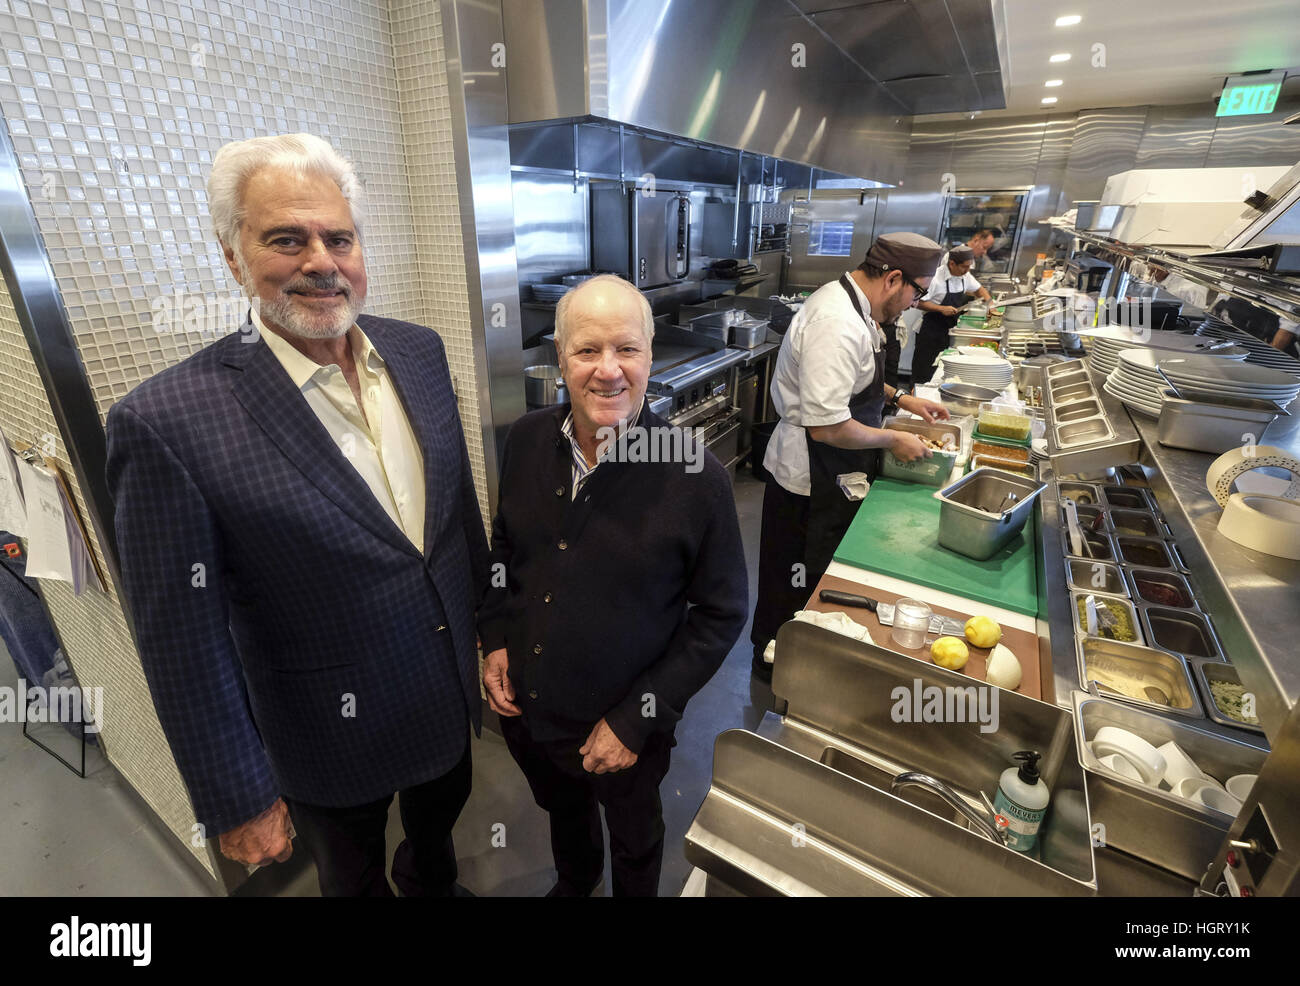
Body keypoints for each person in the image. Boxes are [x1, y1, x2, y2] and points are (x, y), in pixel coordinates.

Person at [105, 134, 488, 896]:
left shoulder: (417, 352)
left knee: (440, 828)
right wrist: (237, 794)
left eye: (338, 237)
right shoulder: (167, 421)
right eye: (287, 238)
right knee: (351, 875)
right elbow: (181, 638)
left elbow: (456, 518)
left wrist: (492, 627)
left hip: (443, 689)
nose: (321, 260)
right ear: (233, 257)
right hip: (323, 730)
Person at [477, 274, 747, 897]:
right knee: (564, 814)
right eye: (587, 351)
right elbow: (503, 551)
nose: (608, 371)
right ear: (559, 357)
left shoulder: (693, 476)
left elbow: (720, 614)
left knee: (634, 835)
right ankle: (576, 882)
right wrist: (494, 637)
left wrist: (636, 719)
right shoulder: (525, 441)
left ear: (651, 356)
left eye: (626, 349)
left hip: (628, 724)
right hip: (532, 707)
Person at [749, 233, 951, 682]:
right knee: (794, 577)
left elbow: (848, 381)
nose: (915, 303)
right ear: (893, 278)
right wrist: (891, 440)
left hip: (831, 467)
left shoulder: (854, 306)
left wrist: (902, 400)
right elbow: (828, 426)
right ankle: (776, 670)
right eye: (917, 292)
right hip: (809, 475)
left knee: (807, 572)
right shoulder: (836, 321)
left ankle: (797, 659)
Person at [912, 245, 993, 386]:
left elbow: (979, 289)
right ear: (952, 264)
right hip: (931, 330)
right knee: (924, 369)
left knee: (943, 368)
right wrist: (940, 308)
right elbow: (917, 302)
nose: (967, 270)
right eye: (964, 267)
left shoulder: (965, 276)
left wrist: (991, 305)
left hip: (949, 329)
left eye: (969, 267)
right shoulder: (935, 278)